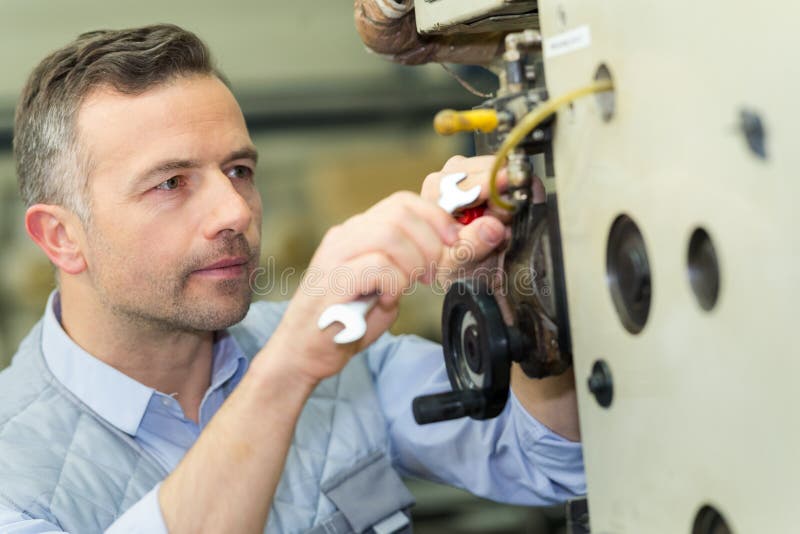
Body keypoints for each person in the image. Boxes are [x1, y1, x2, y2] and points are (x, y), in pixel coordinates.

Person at [0, 24, 584, 533]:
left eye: (239, 170)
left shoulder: (345, 358)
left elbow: (552, 462)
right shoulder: (14, 471)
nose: (235, 211)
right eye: (171, 183)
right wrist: (288, 371)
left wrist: (515, 284)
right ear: (60, 237)